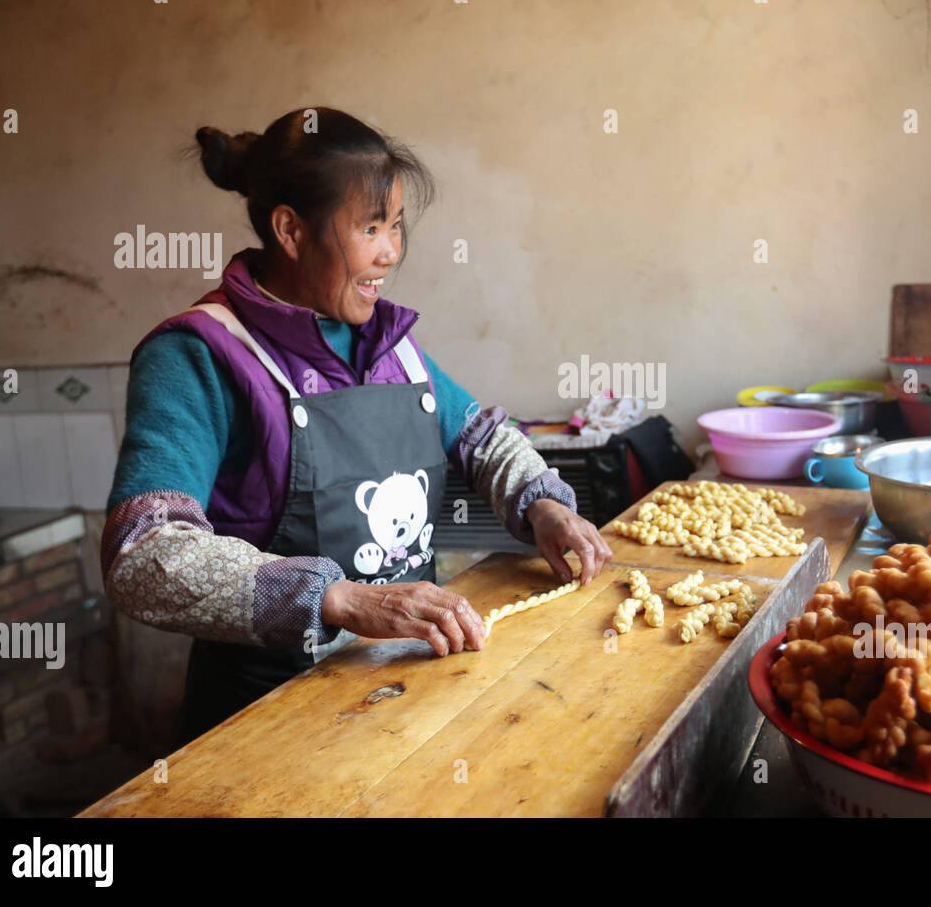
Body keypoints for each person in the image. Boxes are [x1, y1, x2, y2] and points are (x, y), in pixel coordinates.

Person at [102, 107, 612, 743]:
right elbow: (144, 556)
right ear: (290, 230)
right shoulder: (198, 355)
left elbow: (482, 437)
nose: (391, 253)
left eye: (395, 227)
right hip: (268, 720)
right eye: (372, 227)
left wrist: (543, 504)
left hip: (408, 690)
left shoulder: (388, 344)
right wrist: (338, 599)